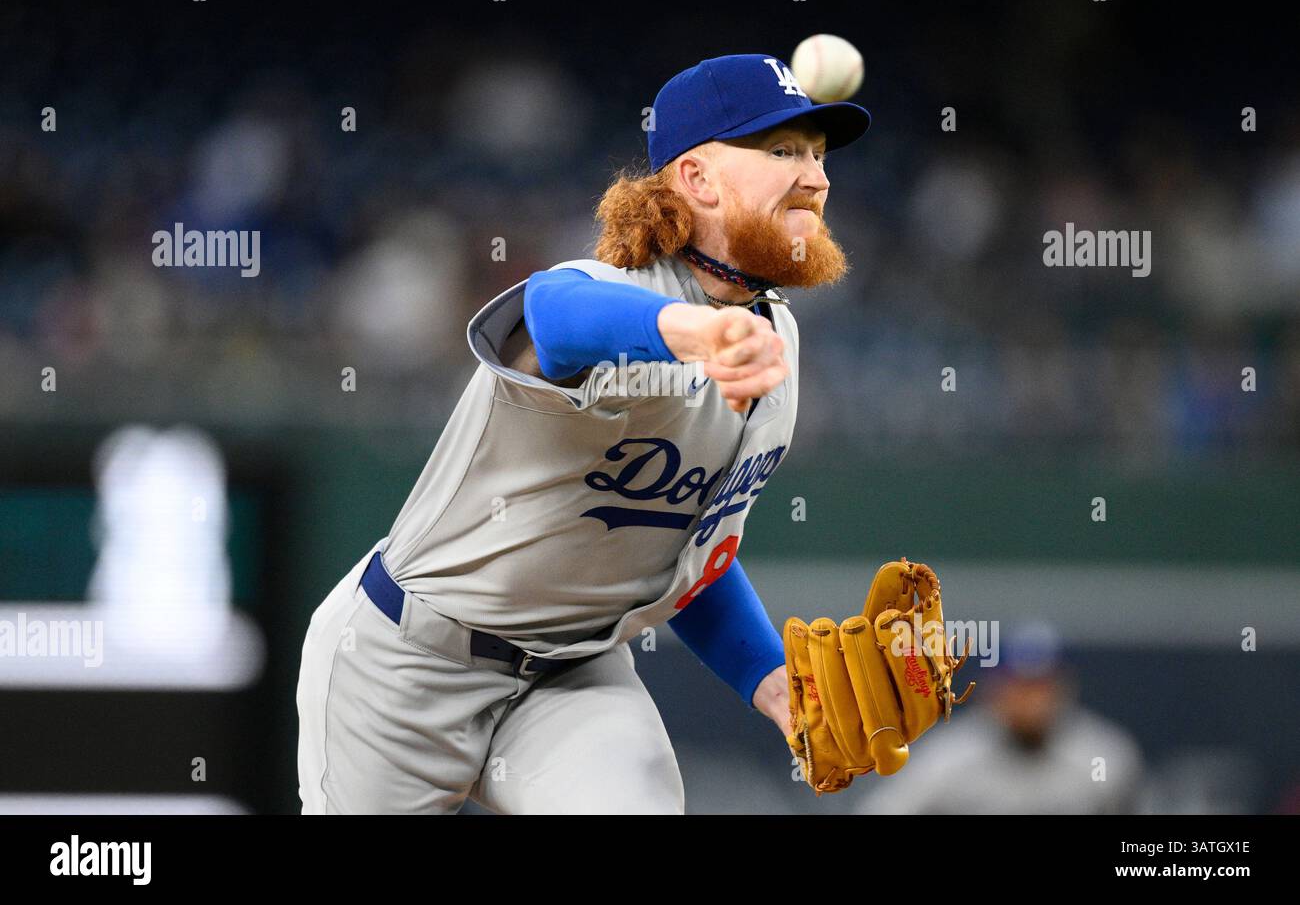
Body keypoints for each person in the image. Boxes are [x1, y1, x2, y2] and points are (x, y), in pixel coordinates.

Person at [296, 53, 870, 813]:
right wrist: (691, 332)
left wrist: (772, 681)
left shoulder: (778, 341)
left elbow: (684, 555)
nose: (816, 178)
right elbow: (552, 313)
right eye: (783, 152)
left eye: (819, 155)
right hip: (407, 663)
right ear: (696, 179)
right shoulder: (617, 293)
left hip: (575, 675)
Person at [855, 622, 1145, 814]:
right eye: (1019, 686)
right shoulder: (947, 761)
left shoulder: (1104, 757)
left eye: (1041, 686)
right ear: (995, 689)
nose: (1032, 701)